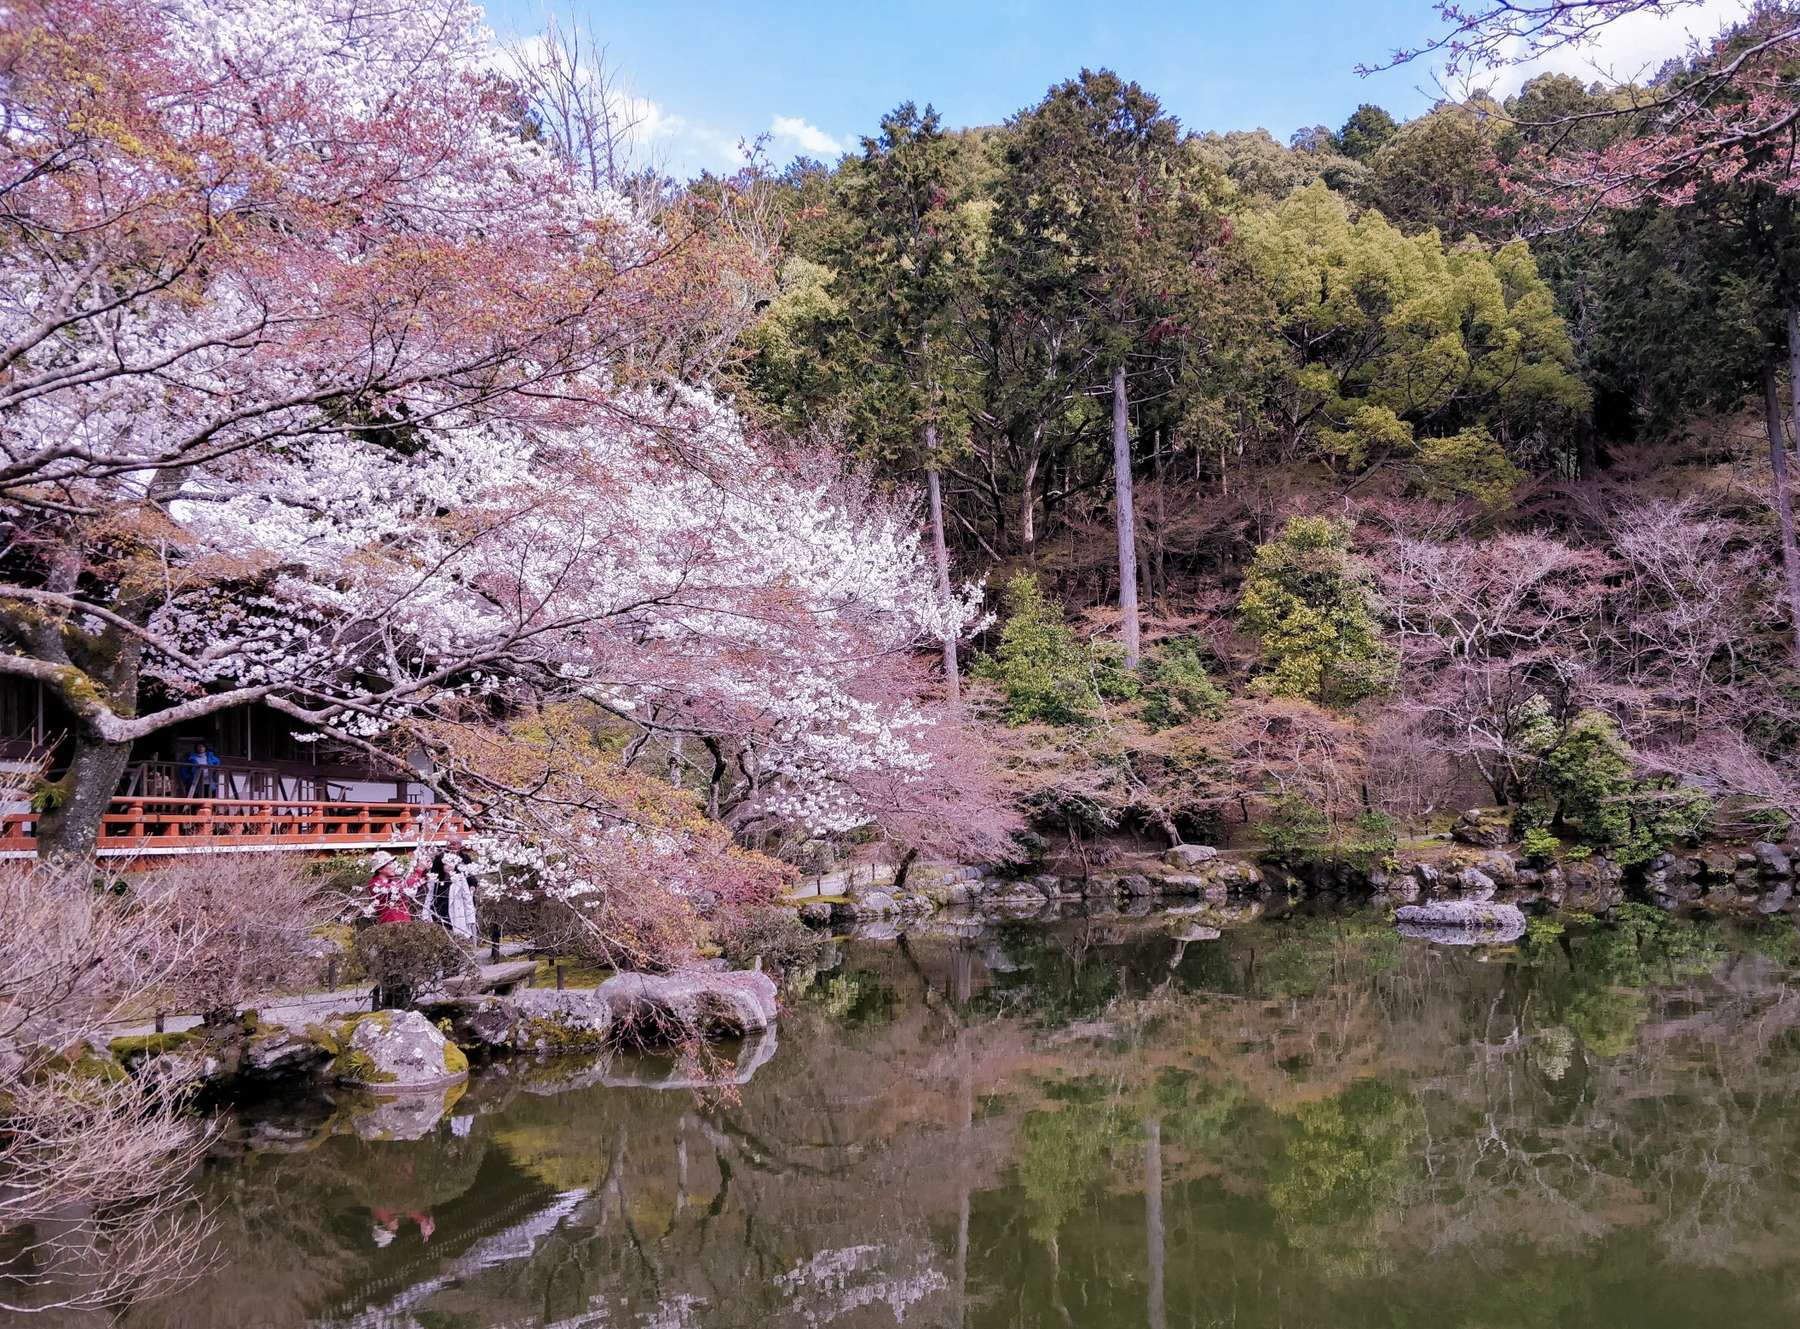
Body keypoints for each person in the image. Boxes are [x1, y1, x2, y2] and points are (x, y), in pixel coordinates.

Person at [427, 831, 477, 939]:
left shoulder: (465, 858)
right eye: (449, 843)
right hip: (443, 894)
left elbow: (471, 876)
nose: (451, 846)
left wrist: (472, 885)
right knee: (444, 924)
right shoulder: (440, 858)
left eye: (454, 843)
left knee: (462, 926)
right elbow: (433, 877)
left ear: (460, 845)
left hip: (460, 895)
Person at [365, 850, 424, 924]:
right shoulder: (375, 885)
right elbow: (403, 887)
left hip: (405, 922)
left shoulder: (394, 881)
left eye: (393, 863)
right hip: (391, 925)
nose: (393, 866)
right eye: (389, 863)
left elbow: (411, 886)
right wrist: (419, 870)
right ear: (380, 869)